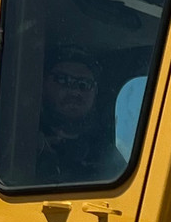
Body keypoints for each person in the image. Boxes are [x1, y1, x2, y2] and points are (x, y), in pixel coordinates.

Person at [33, 42, 123, 186]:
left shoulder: (106, 156)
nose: (75, 92)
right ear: (42, 84)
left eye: (84, 84)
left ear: (95, 92)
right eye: (63, 80)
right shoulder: (20, 142)